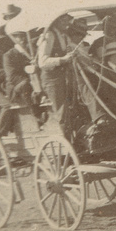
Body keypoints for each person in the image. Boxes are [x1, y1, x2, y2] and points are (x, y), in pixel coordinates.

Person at [37, 13, 79, 141]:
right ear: (55, 21)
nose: (67, 23)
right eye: (63, 20)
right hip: (51, 79)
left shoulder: (65, 37)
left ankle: (76, 141)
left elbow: (72, 51)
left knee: (74, 109)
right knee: (61, 112)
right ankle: (66, 145)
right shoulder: (49, 36)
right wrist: (62, 59)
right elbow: (42, 62)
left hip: (64, 77)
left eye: (68, 20)